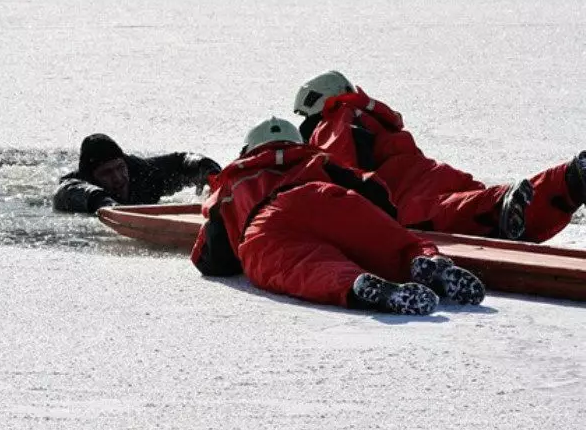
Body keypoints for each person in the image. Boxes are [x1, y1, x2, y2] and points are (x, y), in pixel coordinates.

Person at [191, 117, 486, 316]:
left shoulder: (233, 179)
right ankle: (425, 263)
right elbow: (373, 191)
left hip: (265, 224)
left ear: (247, 149)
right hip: (323, 195)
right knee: (395, 246)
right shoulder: (320, 160)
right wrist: (376, 225)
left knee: (308, 265)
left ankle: (357, 285)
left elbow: (214, 257)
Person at [294, 71, 586, 242]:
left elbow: (338, 172)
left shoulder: (336, 119)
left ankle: (501, 202)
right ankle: (568, 180)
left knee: (442, 215)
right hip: (432, 175)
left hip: (402, 194)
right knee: (503, 216)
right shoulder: (372, 117)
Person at [53, 133, 222, 214]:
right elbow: (70, 191)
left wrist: (213, 175)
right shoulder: (75, 185)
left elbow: (182, 162)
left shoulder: (144, 172)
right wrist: (107, 205)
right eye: (107, 173)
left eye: (120, 168)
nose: (118, 178)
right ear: (92, 177)